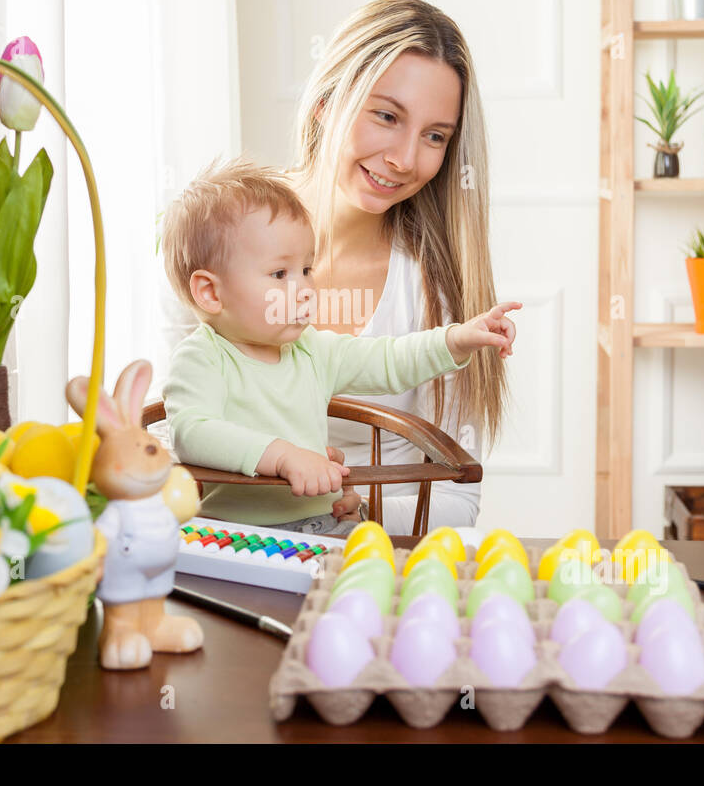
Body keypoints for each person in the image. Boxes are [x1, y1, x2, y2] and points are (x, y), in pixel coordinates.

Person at [160, 0, 509, 534]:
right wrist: (276, 462)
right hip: (229, 549)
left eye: (435, 136)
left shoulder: (436, 287)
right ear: (326, 103)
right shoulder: (218, 238)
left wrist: (354, 508)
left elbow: (456, 502)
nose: (406, 159)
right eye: (387, 116)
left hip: (367, 555)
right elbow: (167, 438)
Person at [160, 157, 519, 535]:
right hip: (233, 535)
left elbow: (389, 360)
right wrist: (283, 457)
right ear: (210, 292)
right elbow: (192, 431)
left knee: (384, 573)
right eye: (280, 274)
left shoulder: (312, 350)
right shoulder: (202, 358)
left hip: (323, 524)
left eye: (307, 269)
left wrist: (456, 339)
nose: (304, 290)